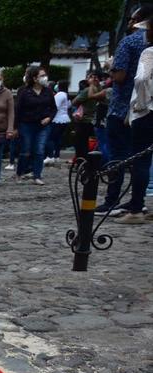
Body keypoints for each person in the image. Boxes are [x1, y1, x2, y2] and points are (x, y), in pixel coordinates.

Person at [99, 5, 153, 214]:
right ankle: (136, 203)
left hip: (124, 107)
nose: (129, 23)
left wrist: (110, 68)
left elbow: (121, 76)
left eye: (132, 19)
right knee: (141, 159)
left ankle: (111, 200)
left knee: (117, 156)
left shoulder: (129, 42)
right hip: (146, 110)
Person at [117, 25, 153, 224]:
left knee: (141, 160)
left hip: (147, 112)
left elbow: (140, 79)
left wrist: (140, 103)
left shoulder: (149, 52)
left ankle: (137, 209)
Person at [15, 65, 57, 186]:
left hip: (43, 126)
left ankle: (37, 175)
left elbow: (53, 108)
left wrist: (49, 118)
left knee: (39, 150)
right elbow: (18, 109)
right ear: (34, 78)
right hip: (26, 125)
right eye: (42, 76)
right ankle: (20, 172)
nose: (45, 78)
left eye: (45, 75)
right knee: (26, 150)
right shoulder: (24, 91)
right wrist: (15, 127)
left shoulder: (48, 91)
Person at [72, 73, 104, 160]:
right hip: (97, 120)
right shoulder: (102, 90)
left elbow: (74, 101)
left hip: (84, 120)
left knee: (81, 144)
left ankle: (81, 163)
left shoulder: (87, 90)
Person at [46, 81, 71, 163]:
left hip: (57, 119)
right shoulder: (66, 95)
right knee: (58, 138)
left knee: (51, 138)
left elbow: (55, 106)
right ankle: (56, 155)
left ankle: (50, 156)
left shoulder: (60, 94)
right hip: (64, 119)